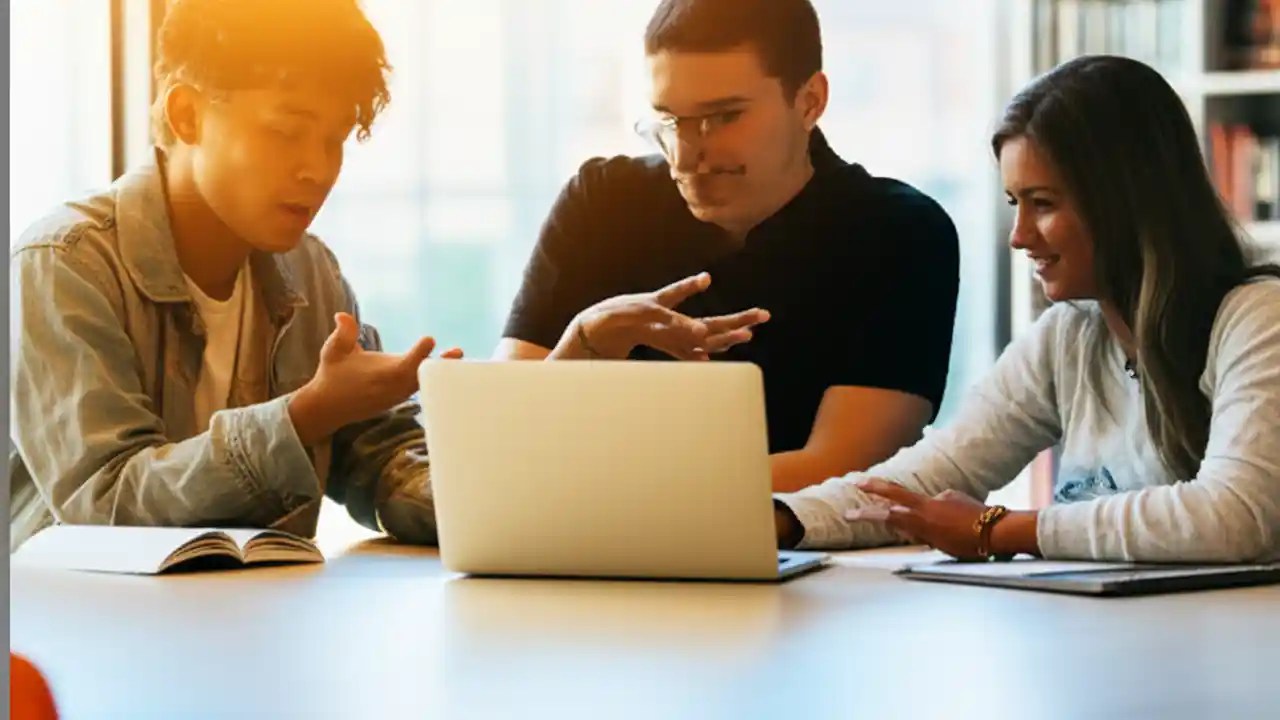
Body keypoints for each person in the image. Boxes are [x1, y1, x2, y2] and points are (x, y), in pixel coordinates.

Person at [774, 55, 1280, 563]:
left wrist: (996, 529)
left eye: (1043, 203)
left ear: (1126, 200)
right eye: (1016, 203)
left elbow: (1234, 514)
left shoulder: (1258, 316)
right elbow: (929, 476)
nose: (1019, 237)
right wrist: (782, 521)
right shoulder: (1069, 334)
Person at [9, 0, 454, 549]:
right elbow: (104, 501)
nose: (317, 168)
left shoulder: (313, 273)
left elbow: (379, 457)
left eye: (335, 139)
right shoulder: (65, 263)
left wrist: (481, 496)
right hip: (73, 624)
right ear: (187, 115)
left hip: (251, 618)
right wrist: (304, 415)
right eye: (286, 131)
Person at [496, 0, 961, 493]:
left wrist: (605, 488)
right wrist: (585, 342)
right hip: (575, 543)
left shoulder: (899, 232)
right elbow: (501, 444)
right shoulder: (601, 202)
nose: (688, 154)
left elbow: (845, 476)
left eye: (723, 117)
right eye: (670, 121)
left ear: (809, 102)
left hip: (809, 560)